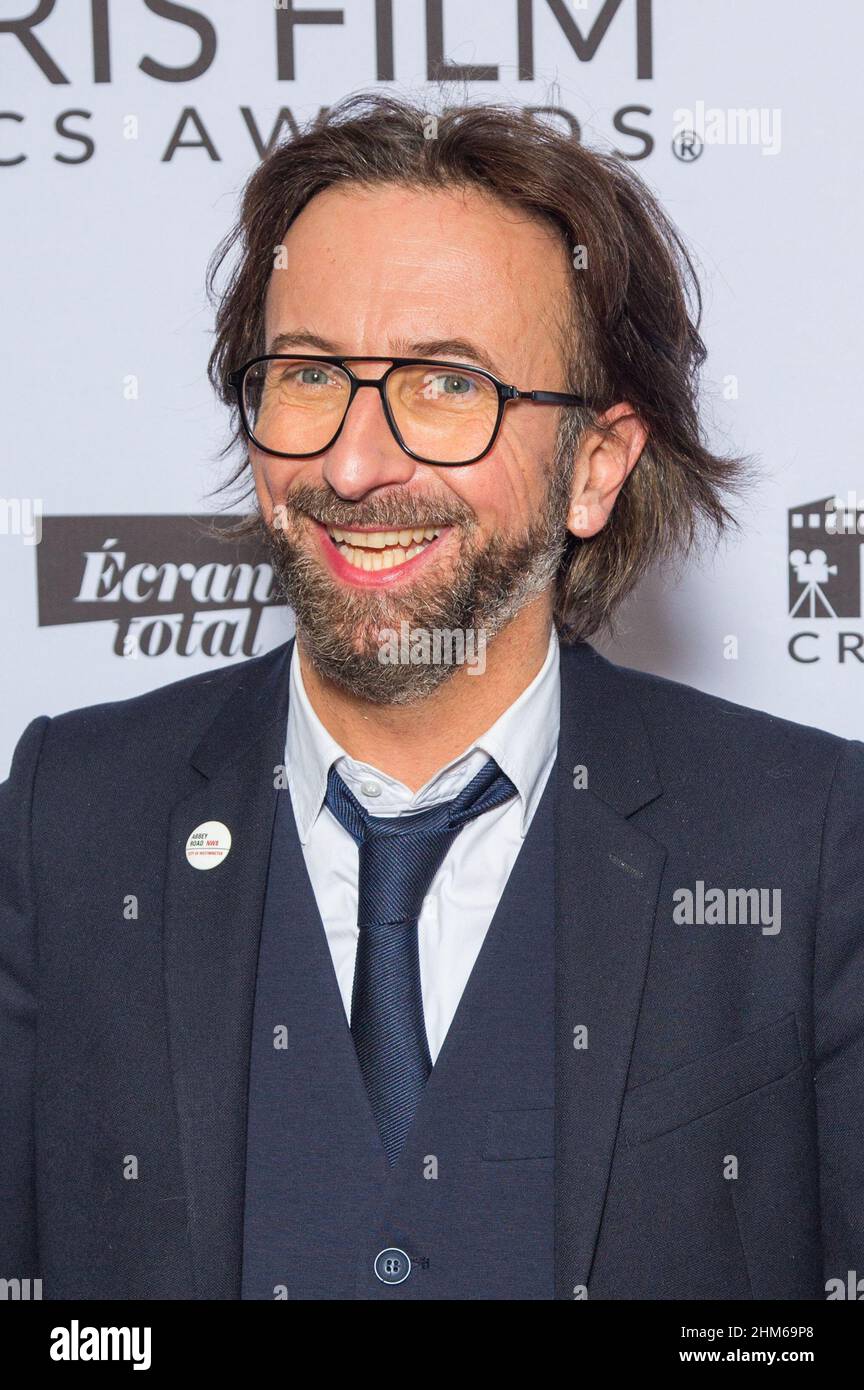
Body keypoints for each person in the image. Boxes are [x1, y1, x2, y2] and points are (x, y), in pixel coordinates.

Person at [1, 93, 861, 1301]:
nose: (353, 464)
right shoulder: (67, 818)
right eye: (308, 375)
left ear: (597, 466)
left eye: (448, 387)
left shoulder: (807, 835)